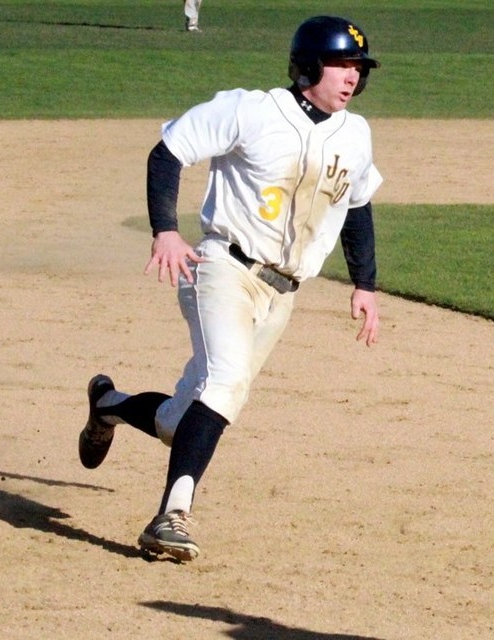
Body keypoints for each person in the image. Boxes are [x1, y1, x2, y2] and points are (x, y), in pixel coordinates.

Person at [78, 15, 383, 562]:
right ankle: (171, 515)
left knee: (181, 421)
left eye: (358, 68)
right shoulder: (251, 110)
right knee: (226, 383)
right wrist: (165, 230)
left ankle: (108, 405)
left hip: (281, 294)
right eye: (341, 64)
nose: (351, 77)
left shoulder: (355, 135)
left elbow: (357, 206)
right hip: (222, 268)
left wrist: (366, 284)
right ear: (310, 65)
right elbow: (168, 150)